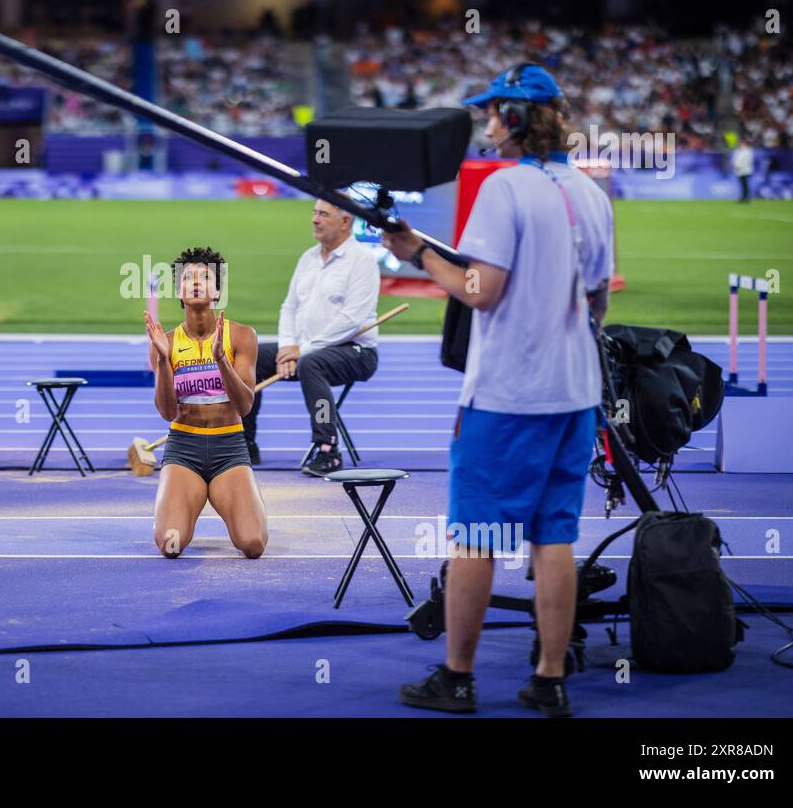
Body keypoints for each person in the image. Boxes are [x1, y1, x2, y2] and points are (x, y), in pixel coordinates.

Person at [385, 63, 614, 717]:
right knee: (554, 537)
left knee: (477, 536)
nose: (486, 123)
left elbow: (482, 290)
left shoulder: (504, 189)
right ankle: (549, 678)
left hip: (508, 396)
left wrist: (417, 256)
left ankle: (457, 676)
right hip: (575, 391)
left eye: (493, 112)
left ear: (516, 117)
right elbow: (596, 300)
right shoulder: (591, 192)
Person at [243, 199, 381, 477]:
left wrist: (301, 351)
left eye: (323, 214)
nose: (315, 219)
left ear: (345, 222)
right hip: (304, 349)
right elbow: (289, 307)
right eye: (314, 213)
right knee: (248, 354)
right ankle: (245, 444)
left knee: (311, 364)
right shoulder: (308, 258)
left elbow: (351, 321)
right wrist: (287, 347)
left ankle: (328, 449)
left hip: (354, 352)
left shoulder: (363, 262)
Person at [145, 247, 268, 559]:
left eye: (205, 277)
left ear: (217, 291)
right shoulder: (167, 342)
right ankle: (188, 497)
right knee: (171, 544)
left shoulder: (241, 336)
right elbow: (167, 412)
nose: (196, 282)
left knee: (253, 545)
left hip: (229, 448)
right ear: (180, 292)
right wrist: (162, 360)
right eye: (188, 278)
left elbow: (244, 406)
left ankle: (229, 495)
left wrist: (221, 361)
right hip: (184, 449)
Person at [731, 133, 755, 203]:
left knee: (745, 185)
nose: (741, 144)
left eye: (742, 143)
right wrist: (736, 166)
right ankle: (743, 197)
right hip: (739, 170)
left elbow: (747, 161)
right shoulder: (739, 151)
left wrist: (739, 166)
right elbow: (735, 159)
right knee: (742, 185)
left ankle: (746, 197)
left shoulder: (748, 151)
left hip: (745, 170)